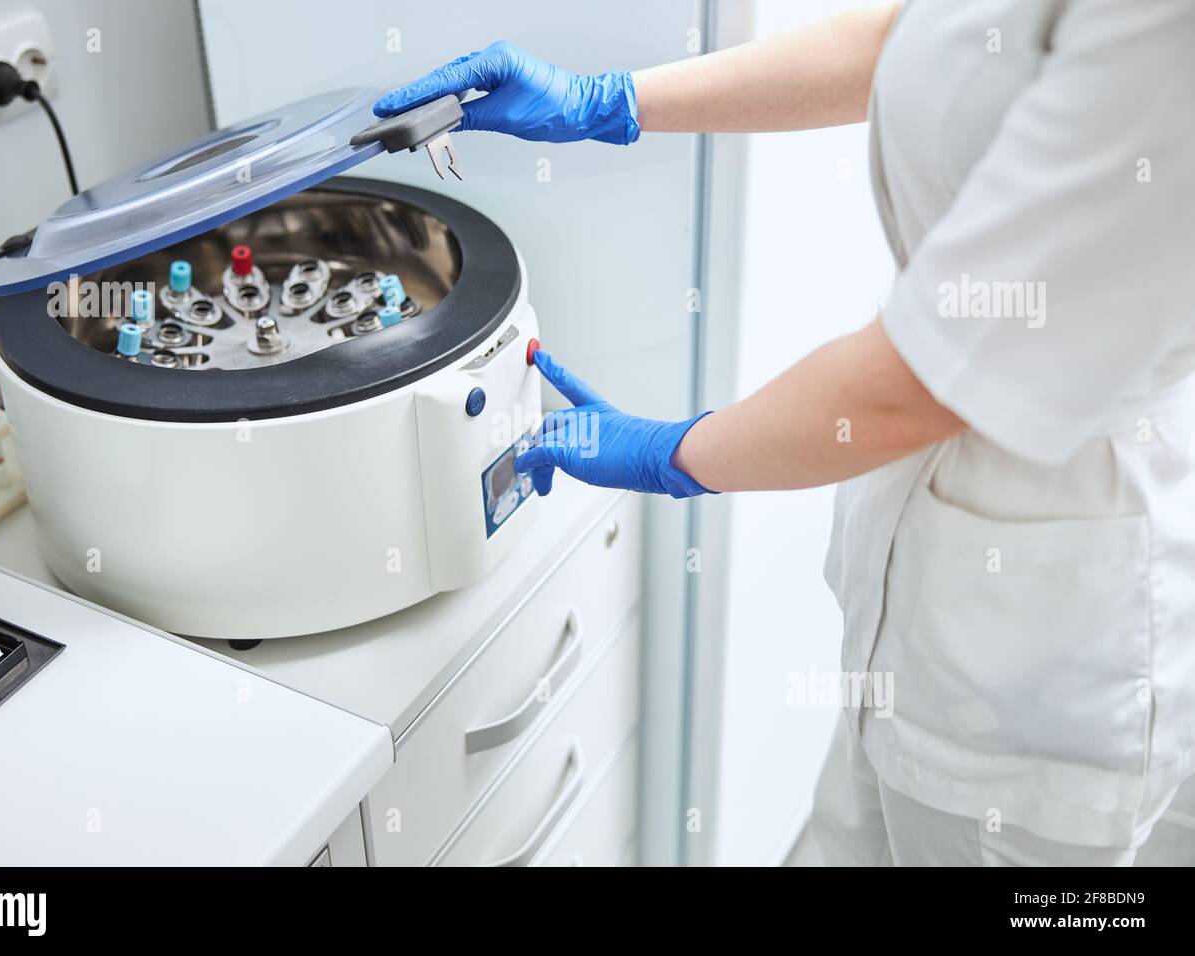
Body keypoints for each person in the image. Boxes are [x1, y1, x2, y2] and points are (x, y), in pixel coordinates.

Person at [375, 0, 1195, 866]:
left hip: (1044, 672)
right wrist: (609, 101)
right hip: (915, 604)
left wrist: (672, 453)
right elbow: (906, 40)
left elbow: (910, 388)